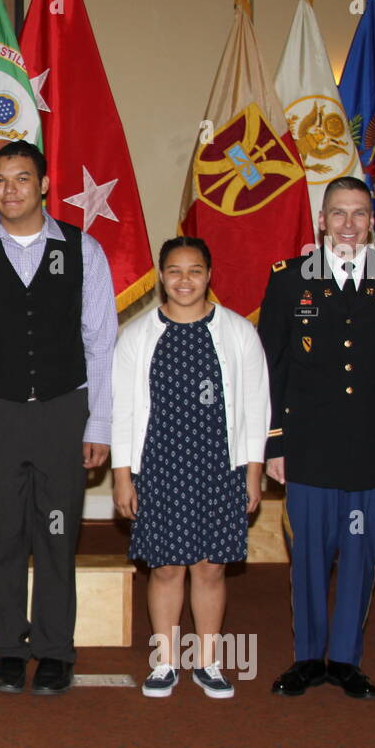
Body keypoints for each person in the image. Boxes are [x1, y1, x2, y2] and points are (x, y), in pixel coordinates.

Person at [0, 140, 117, 696]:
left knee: (58, 536)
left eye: (21, 179)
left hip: (65, 412)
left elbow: (101, 342)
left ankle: (56, 650)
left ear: (43, 185)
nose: (9, 190)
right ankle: (11, 650)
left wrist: (99, 424)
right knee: (8, 535)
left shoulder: (81, 249)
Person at [258, 175, 375, 699]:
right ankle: (309, 659)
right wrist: (274, 441)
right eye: (339, 213)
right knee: (308, 553)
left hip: (373, 446)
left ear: (373, 222)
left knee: (359, 552)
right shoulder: (290, 279)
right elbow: (273, 366)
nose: (349, 225)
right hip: (307, 446)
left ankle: (347, 661)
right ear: (321, 220)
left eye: (359, 214)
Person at [111, 237, 270, 699]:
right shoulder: (137, 337)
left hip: (219, 465)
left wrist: (253, 472)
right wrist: (123, 476)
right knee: (165, 568)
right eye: (175, 271)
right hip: (159, 465)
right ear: (161, 276)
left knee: (210, 567)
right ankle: (163, 661)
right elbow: (123, 412)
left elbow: (258, 406)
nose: (185, 280)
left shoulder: (238, 332)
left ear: (209, 275)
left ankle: (208, 661)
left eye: (195, 270)